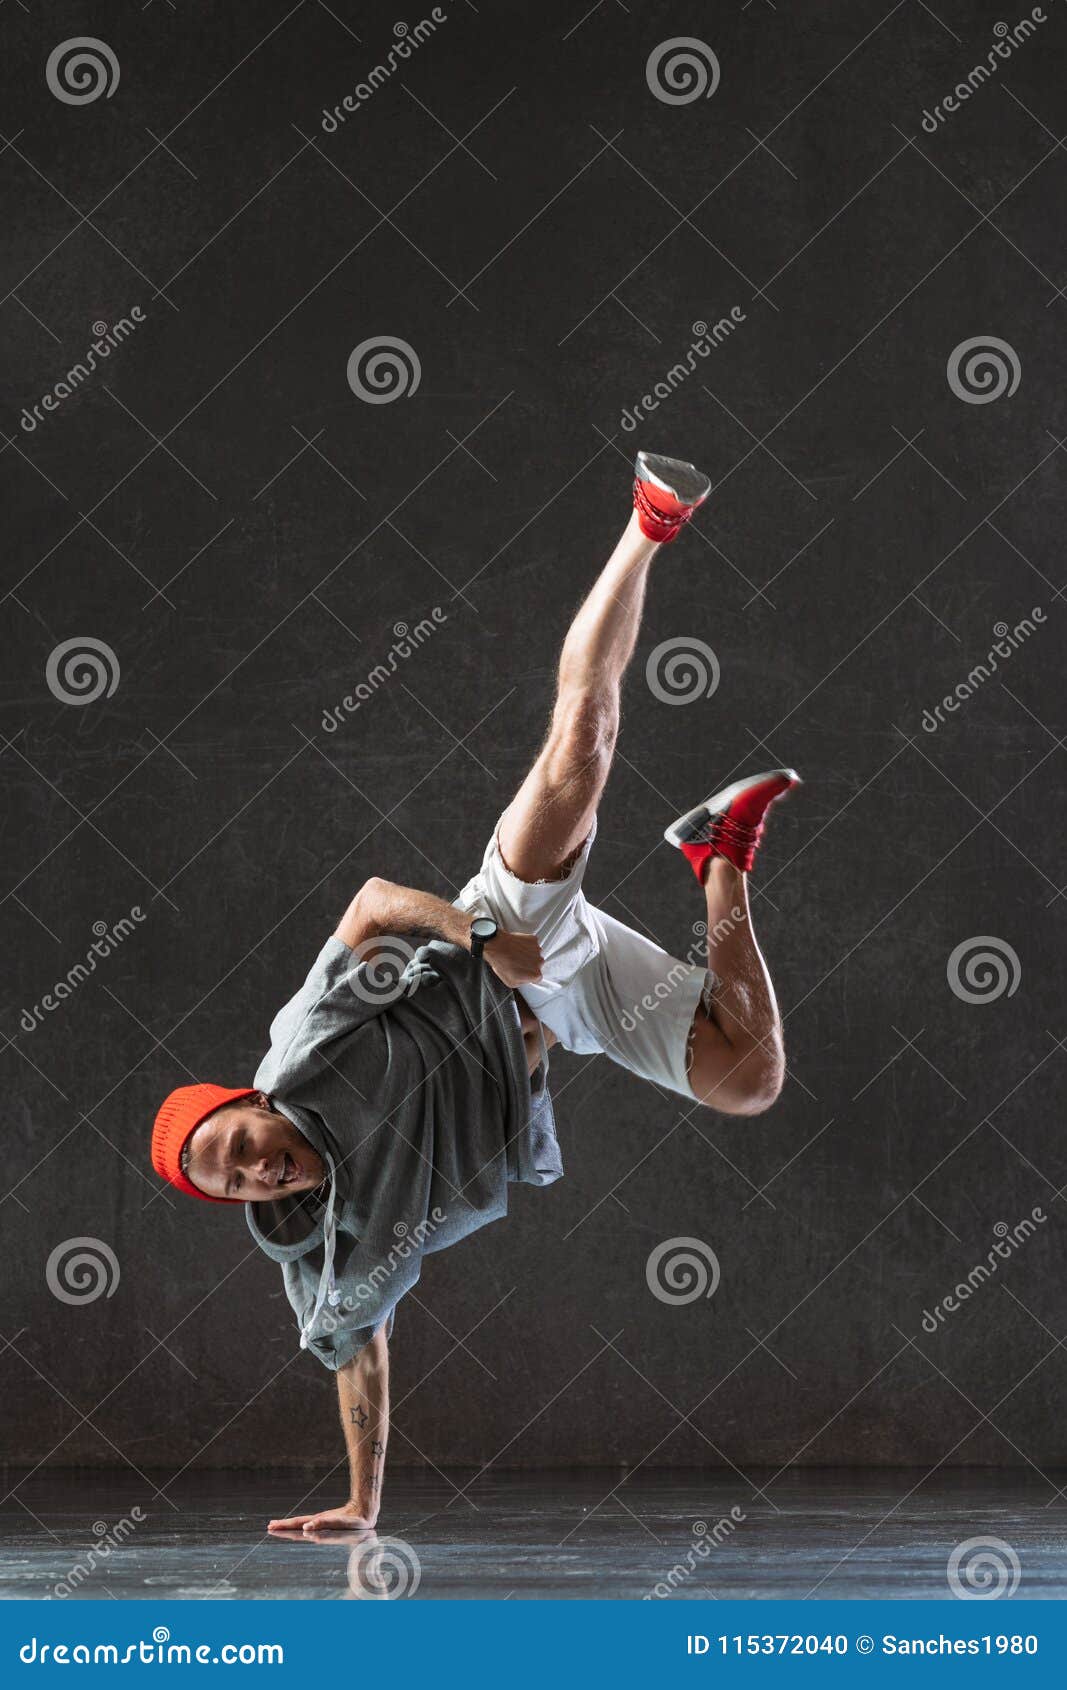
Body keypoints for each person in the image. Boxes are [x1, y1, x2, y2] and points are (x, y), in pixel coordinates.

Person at [149, 451, 800, 1534]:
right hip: (571, 1015)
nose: (258, 1167)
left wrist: (477, 932)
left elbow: (367, 903)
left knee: (578, 750)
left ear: (248, 1103)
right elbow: (358, 1353)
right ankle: (717, 852)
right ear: (242, 1206)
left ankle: (646, 523)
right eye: (238, 1183)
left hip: (505, 944)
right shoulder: (325, 1259)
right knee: (752, 1077)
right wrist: (361, 1501)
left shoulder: (301, 1049)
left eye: (241, 1142)